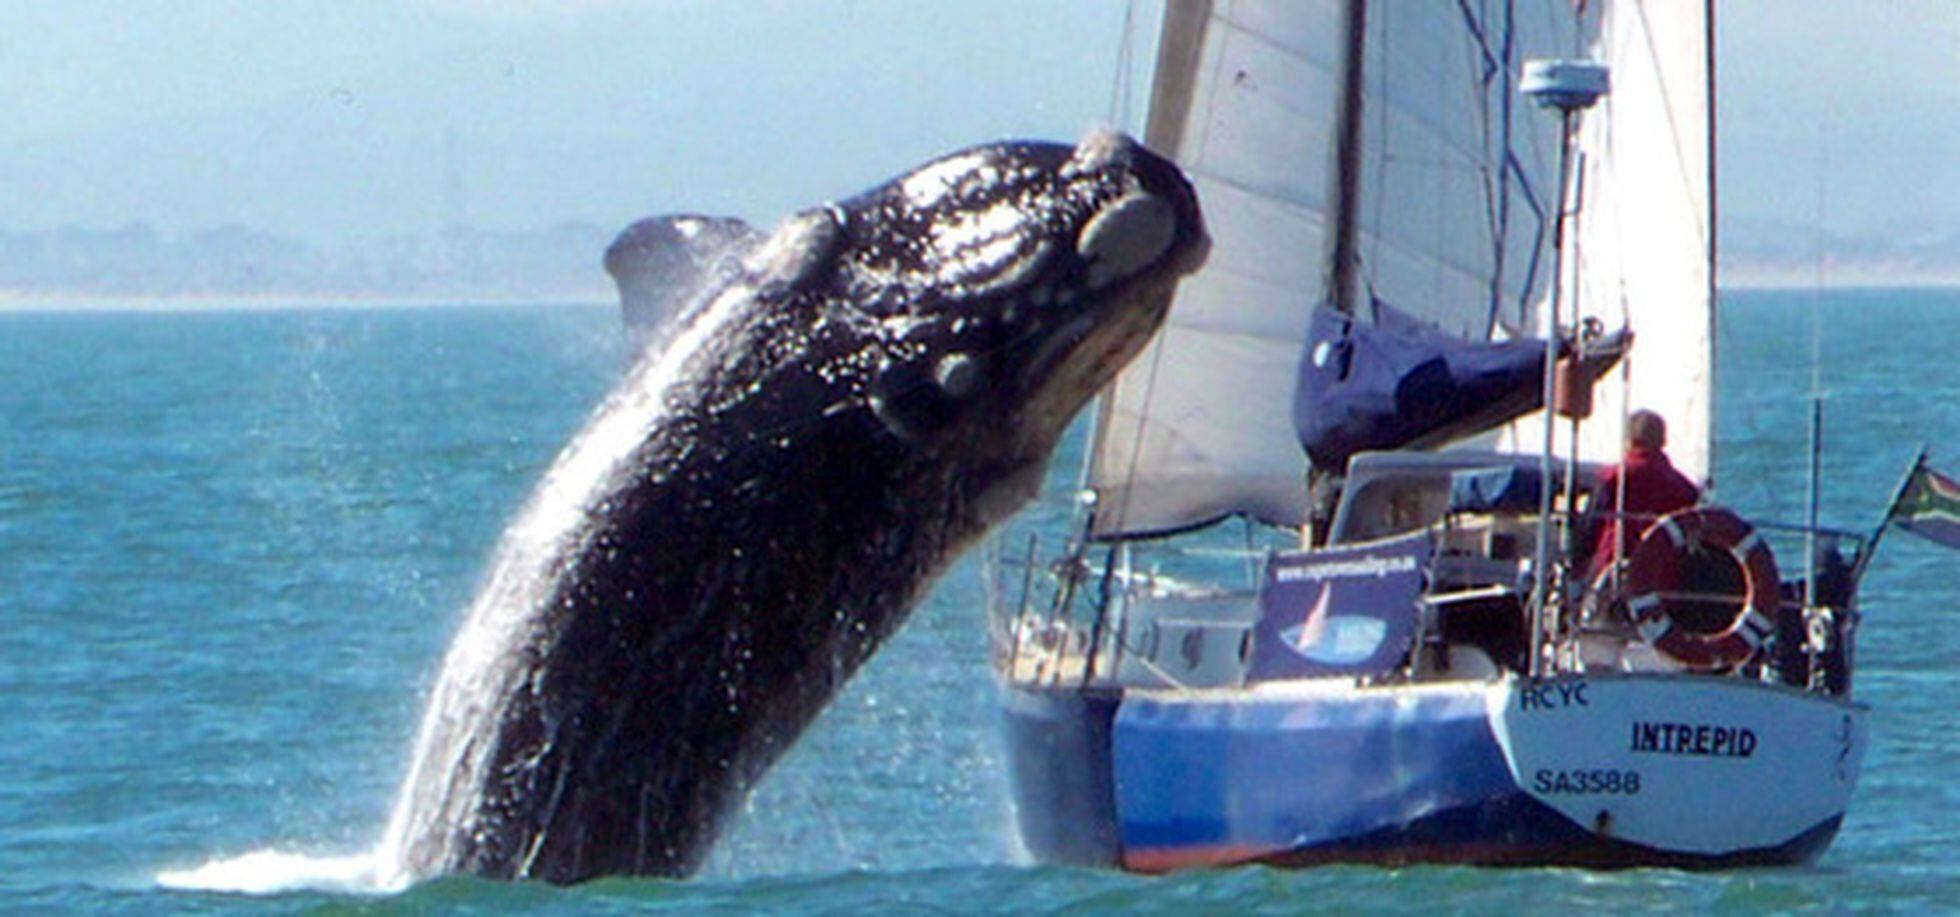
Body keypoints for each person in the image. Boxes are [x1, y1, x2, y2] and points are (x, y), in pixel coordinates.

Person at [1590, 409, 1701, 575]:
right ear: (1663, 441)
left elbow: (1591, 525)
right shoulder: (1685, 489)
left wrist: (1579, 560)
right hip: (1664, 574)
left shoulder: (1613, 477)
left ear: (1629, 440)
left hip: (1614, 567)